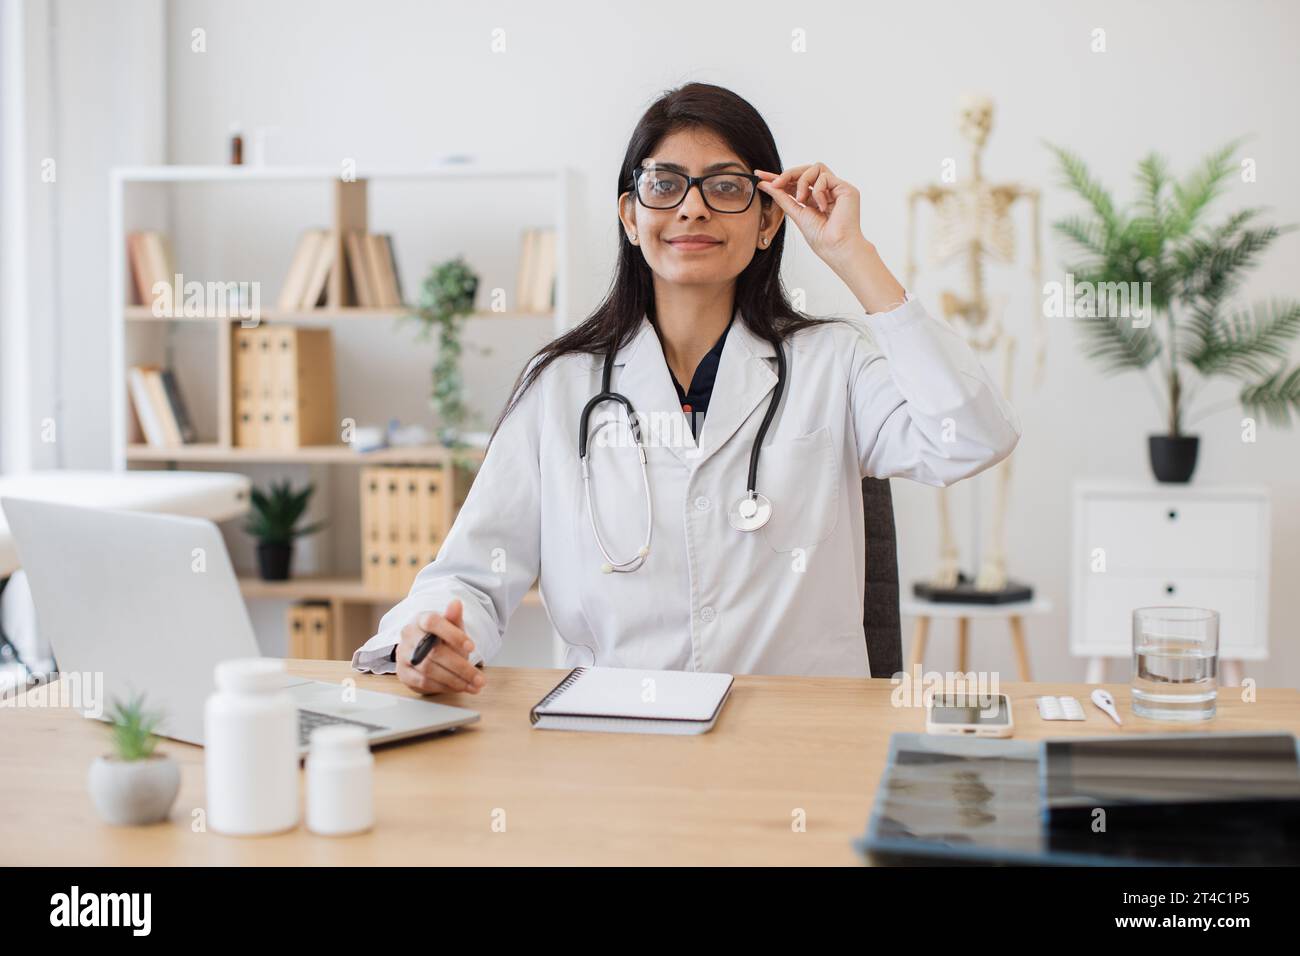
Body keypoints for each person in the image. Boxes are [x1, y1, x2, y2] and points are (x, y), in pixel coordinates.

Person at [352, 82, 1021, 694]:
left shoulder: (832, 364)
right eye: (665, 185)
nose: (693, 208)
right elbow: (472, 572)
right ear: (629, 215)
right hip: (617, 739)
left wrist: (853, 255)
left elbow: (970, 439)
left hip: (804, 746)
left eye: (726, 187)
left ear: (768, 221)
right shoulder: (561, 386)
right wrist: (428, 638)